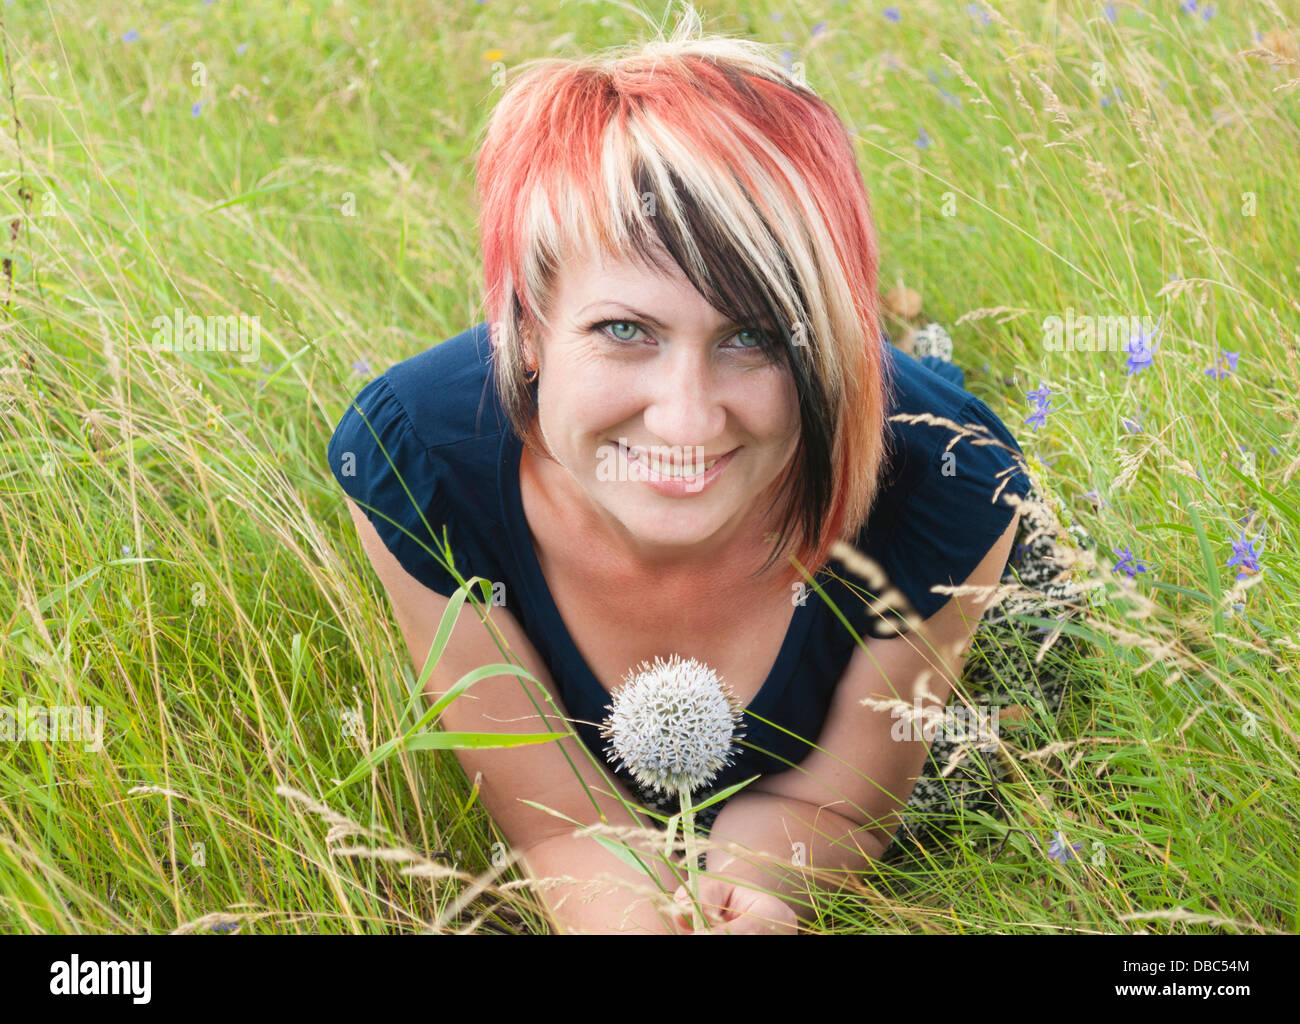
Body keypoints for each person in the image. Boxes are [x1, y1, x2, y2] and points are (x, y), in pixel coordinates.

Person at [326, 3, 1094, 934]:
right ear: (526, 327)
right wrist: (624, 912)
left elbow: (837, 799)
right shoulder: (415, 464)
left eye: (754, 338)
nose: (686, 416)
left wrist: (761, 892)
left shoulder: (949, 485)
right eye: (624, 330)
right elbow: (560, 826)